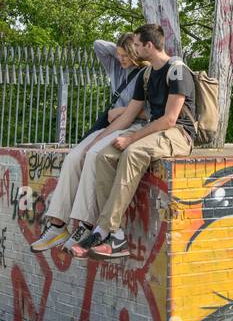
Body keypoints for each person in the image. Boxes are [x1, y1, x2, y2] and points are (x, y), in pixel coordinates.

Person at [70, 22, 194, 259]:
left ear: (149, 45)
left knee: (132, 152)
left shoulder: (177, 70)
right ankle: (116, 235)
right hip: (155, 131)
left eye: (137, 45)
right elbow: (128, 114)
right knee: (105, 156)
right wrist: (97, 141)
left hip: (179, 134)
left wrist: (131, 139)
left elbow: (169, 120)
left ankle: (103, 229)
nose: (134, 49)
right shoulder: (146, 74)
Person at [31, 33, 148, 253]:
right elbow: (98, 45)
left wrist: (121, 111)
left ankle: (85, 225)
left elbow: (149, 112)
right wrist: (123, 45)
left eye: (126, 55)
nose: (121, 59)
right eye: (120, 54)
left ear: (137, 52)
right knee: (75, 156)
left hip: (135, 125)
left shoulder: (147, 73)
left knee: (93, 154)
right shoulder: (117, 67)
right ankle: (57, 226)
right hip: (115, 124)